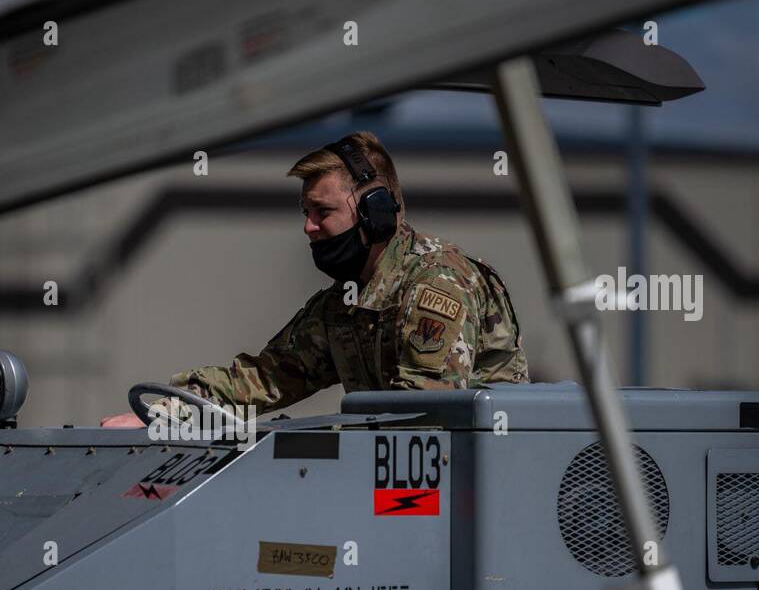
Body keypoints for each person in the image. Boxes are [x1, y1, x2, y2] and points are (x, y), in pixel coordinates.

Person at [101, 131, 528, 427]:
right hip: (403, 495)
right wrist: (163, 417)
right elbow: (264, 379)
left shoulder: (436, 284)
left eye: (322, 212)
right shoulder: (344, 305)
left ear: (375, 213)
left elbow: (422, 421)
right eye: (305, 214)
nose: (309, 227)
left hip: (466, 498)